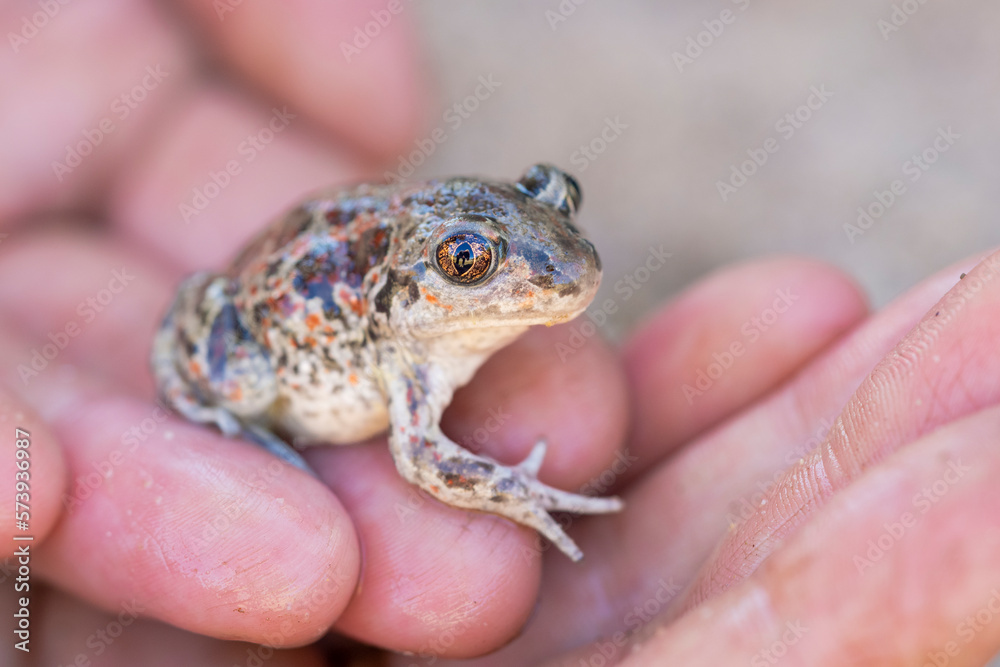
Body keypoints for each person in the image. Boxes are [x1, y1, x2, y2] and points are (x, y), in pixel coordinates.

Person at [4, 2, 1000, 665]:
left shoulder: (484, 288)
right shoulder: (397, 343)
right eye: (472, 266)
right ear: (421, 288)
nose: (546, 265)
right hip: (270, 317)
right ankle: (231, 422)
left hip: (337, 234)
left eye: (557, 206)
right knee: (222, 380)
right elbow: (419, 449)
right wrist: (513, 489)